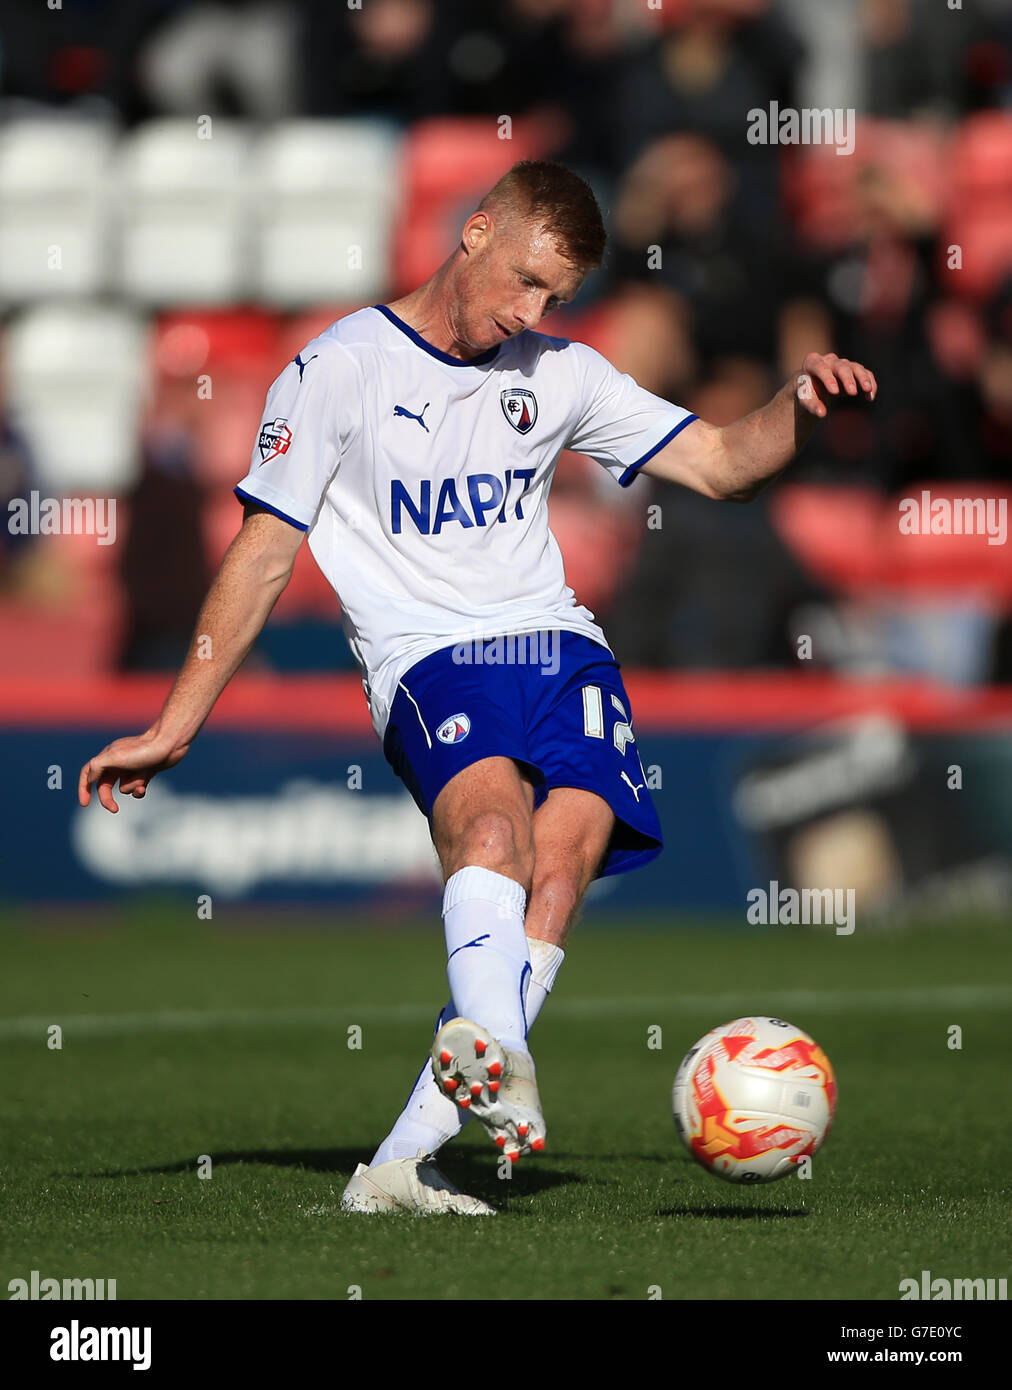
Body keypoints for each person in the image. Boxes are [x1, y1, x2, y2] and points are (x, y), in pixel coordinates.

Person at [78, 160, 876, 1215]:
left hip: (556, 644)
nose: (530, 311)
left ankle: (403, 1164)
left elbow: (727, 461)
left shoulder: (561, 374)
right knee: (491, 832)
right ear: (476, 228)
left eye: (555, 296)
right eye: (526, 281)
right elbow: (264, 553)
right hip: (427, 657)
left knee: (567, 853)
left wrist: (799, 405)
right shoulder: (340, 368)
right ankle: (497, 1064)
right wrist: (174, 722)